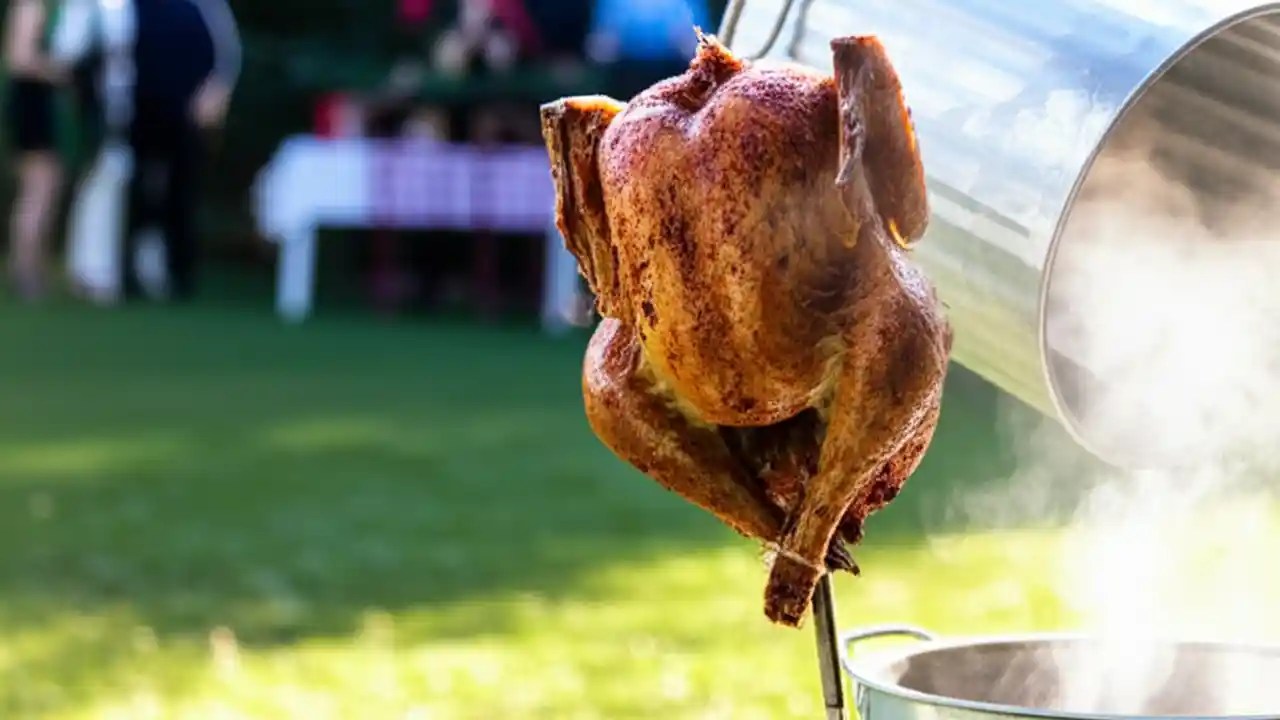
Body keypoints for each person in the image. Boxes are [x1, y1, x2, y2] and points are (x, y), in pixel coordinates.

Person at [122, 0, 241, 301]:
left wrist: (215, 95)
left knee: (182, 195)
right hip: (138, 111)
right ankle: (131, 272)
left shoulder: (205, 5)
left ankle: (180, 274)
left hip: (189, 112)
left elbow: (227, 56)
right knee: (137, 195)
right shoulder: (130, 6)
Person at [4, 0, 64, 301]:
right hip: (31, 105)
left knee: (44, 189)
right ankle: (24, 270)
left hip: (37, 105)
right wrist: (57, 70)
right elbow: (19, 58)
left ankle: (31, 267)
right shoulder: (30, 5)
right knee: (36, 191)